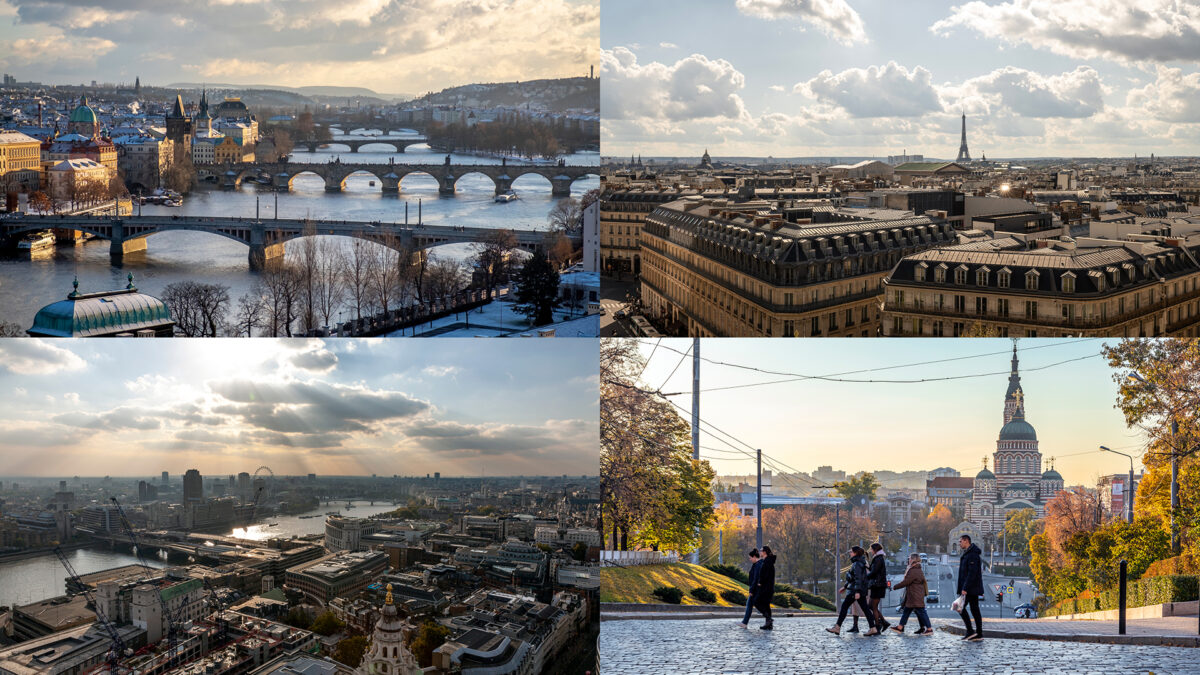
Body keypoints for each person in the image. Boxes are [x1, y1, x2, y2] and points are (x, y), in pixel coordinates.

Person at [826, 546, 878, 636]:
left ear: (855, 553)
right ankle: (873, 628)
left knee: (844, 607)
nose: (849, 553)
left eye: (851, 551)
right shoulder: (859, 562)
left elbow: (858, 578)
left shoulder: (857, 564)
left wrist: (857, 591)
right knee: (865, 609)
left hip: (854, 590)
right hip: (855, 589)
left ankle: (837, 627)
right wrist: (845, 587)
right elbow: (853, 578)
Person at [890, 553, 933, 635]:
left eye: (909, 558)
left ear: (913, 559)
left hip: (915, 595)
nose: (908, 560)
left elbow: (906, 582)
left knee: (921, 611)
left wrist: (894, 587)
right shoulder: (916, 569)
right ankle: (900, 627)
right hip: (913, 594)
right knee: (906, 611)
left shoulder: (913, 570)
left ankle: (929, 629)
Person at [957, 534, 984, 641]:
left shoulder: (972, 555)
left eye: (960, 541)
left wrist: (965, 588)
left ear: (966, 541)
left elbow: (971, 574)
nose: (959, 543)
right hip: (971, 588)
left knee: (959, 607)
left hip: (970, 588)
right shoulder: (968, 553)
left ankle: (970, 631)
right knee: (975, 610)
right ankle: (979, 633)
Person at [866, 542, 891, 631]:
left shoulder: (878, 559)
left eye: (872, 549)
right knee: (870, 606)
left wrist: (865, 577)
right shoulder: (877, 558)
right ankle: (884, 622)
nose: (871, 551)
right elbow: (873, 570)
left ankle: (877, 625)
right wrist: (868, 566)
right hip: (876, 585)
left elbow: (874, 572)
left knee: (873, 606)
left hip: (878, 585)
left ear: (875, 550)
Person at [751, 546, 776, 630]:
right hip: (768, 587)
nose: (760, 552)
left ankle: (768, 619)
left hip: (766, 587)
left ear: (765, 552)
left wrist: (760, 582)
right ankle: (768, 624)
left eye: (761, 551)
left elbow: (765, 574)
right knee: (766, 605)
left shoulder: (767, 562)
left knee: (756, 601)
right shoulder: (767, 561)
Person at [740, 549, 761, 628]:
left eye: (750, 558)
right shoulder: (756, 564)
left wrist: (751, 590)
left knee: (750, 605)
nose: (750, 559)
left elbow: (755, 579)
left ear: (755, 557)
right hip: (756, 589)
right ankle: (744, 623)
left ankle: (744, 623)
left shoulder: (757, 565)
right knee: (750, 605)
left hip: (755, 590)